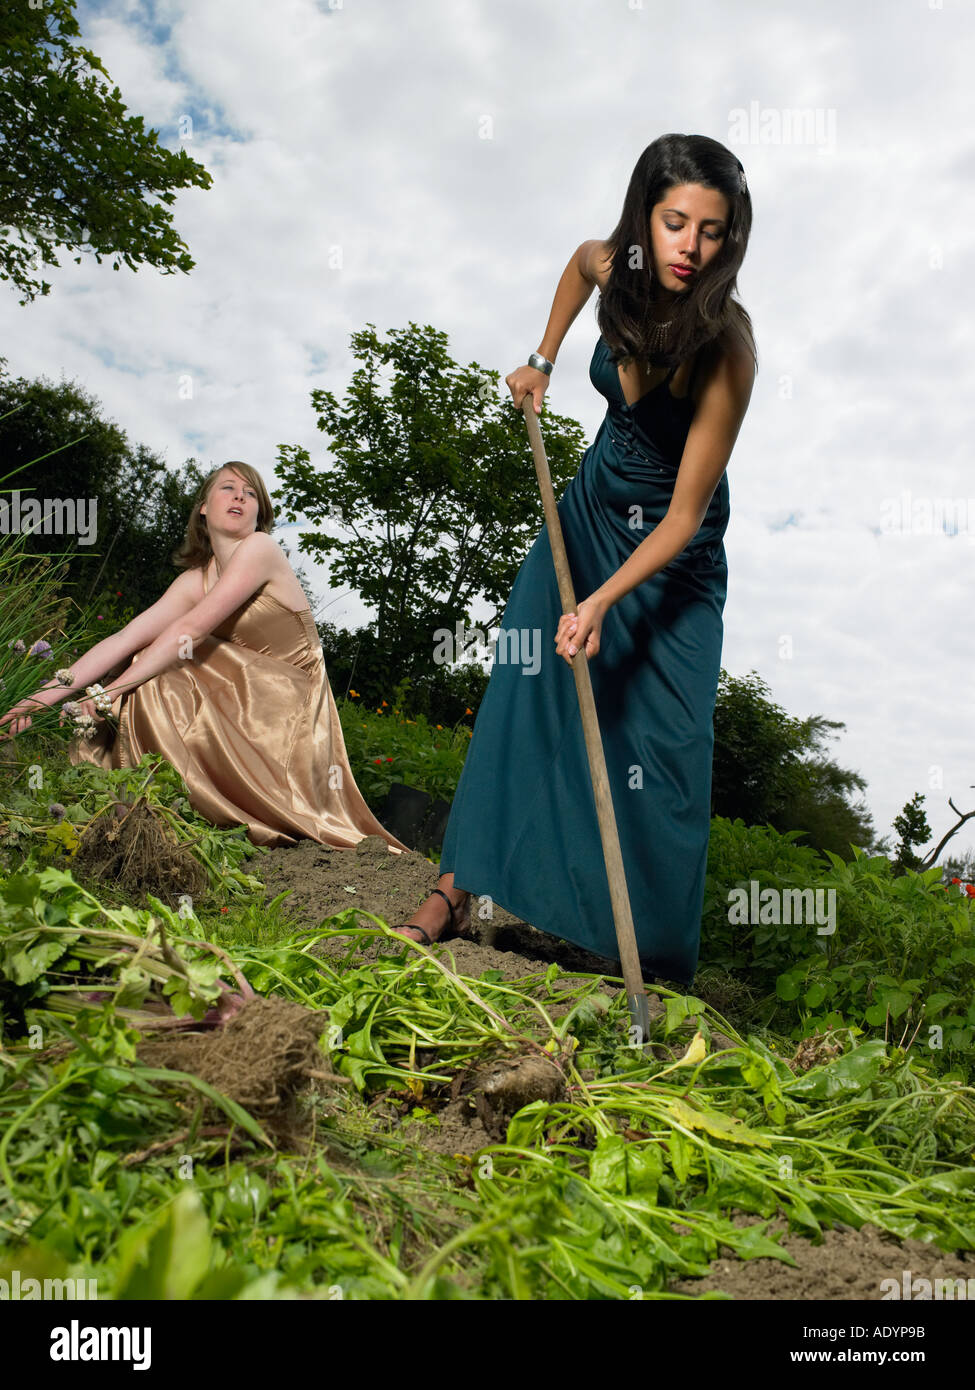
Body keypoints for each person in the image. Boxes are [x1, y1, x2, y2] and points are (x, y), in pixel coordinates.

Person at [392, 134, 756, 986]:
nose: (688, 248)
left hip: (670, 566)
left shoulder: (726, 349)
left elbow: (685, 516)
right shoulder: (612, 266)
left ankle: (651, 963)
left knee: (665, 747)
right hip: (589, 513)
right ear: (645, 216)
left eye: (710, 232)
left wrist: (597, 604)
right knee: (525, 693)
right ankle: (455, 890)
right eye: (674, 223)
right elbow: (576, 264)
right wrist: (542, 360)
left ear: (729, 240)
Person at [0, 461, 410, 855]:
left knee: (152, 669)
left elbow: (190, 631)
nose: (240, 496)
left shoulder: (260, 549)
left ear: (259, 515)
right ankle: (136, 812)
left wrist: (110, 692)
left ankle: (159, 809)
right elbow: (123, 638)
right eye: (228, 488)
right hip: (239, 697)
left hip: (289, 710)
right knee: (142, 659)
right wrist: (33, 702)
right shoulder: (195, 580)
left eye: (252, 494)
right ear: (203, 507)